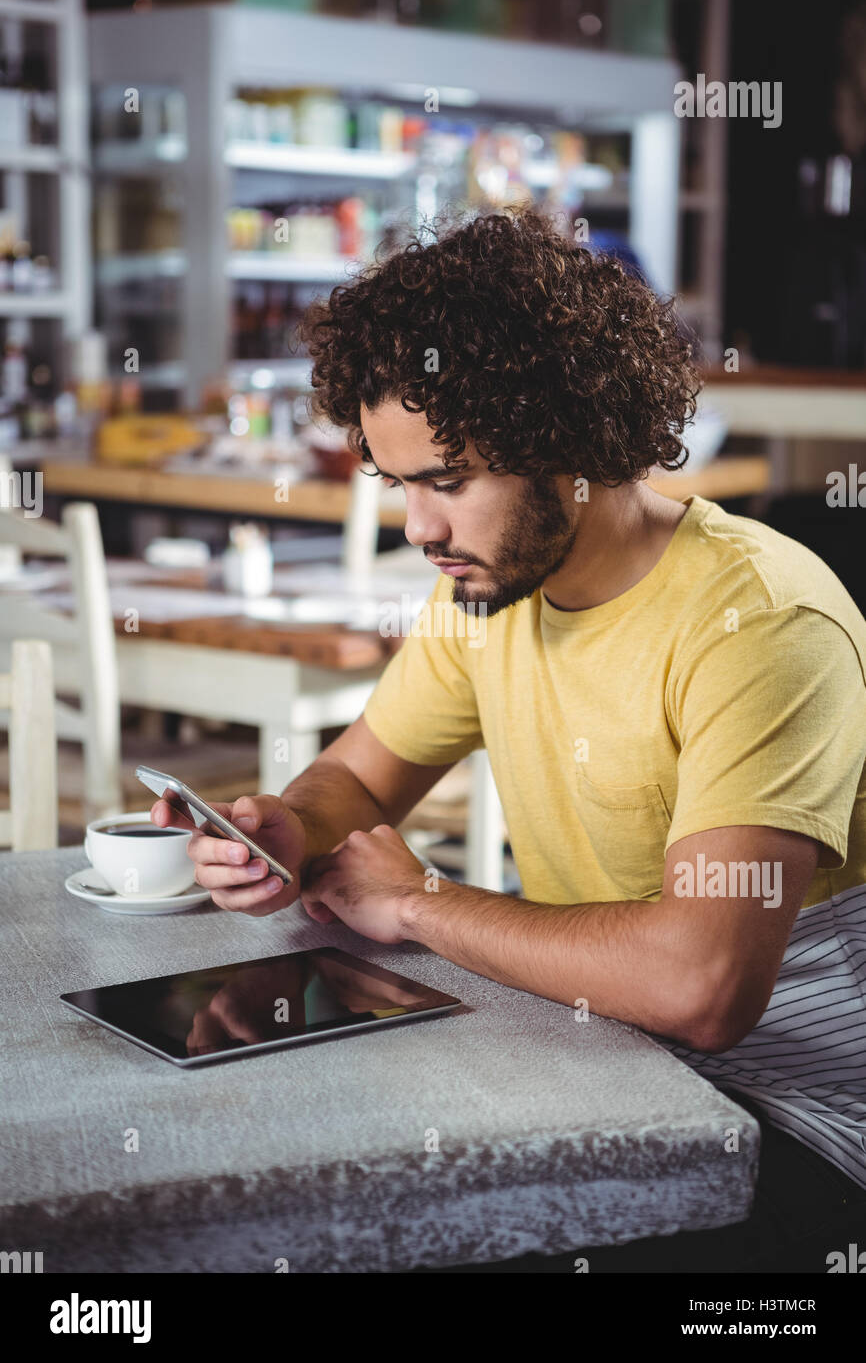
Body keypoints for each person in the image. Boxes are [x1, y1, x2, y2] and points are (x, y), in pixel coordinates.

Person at [153, 208, 866, 1268]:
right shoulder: (488, 595)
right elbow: (357, 774)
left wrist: (418, 901)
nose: (418, 528)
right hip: (605, 1060)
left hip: (796, 1118)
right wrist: (281, 829)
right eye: (398, 484)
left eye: (447, 480)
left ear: (567, 438)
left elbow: (700, 988)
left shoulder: (758, 623)